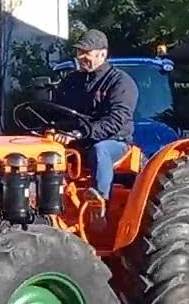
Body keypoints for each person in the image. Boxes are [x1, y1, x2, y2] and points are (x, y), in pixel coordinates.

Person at [52, 28, 138, 200]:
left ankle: (99, 201)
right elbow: (57, 110)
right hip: (77, 140)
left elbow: (116, 120)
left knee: (100, 150)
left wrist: (80, 133)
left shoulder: (120, 82)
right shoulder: (70, 82)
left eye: (86, 53)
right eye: (79, 52)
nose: (80, 57)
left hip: (114, 141)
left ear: (102, 54)